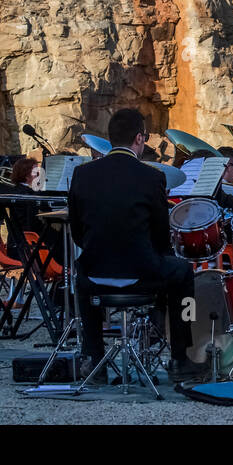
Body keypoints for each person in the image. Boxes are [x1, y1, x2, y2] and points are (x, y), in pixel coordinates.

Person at [67, 108, 201, 382]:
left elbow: (77, 231)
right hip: (142, 274)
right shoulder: (152, 177)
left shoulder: (82, 175)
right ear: (139, 139)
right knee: (184, 273)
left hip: (96, 275)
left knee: (82, 275)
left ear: (111, 138)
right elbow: (161, 238)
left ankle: (94, 360)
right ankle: (181, 356)